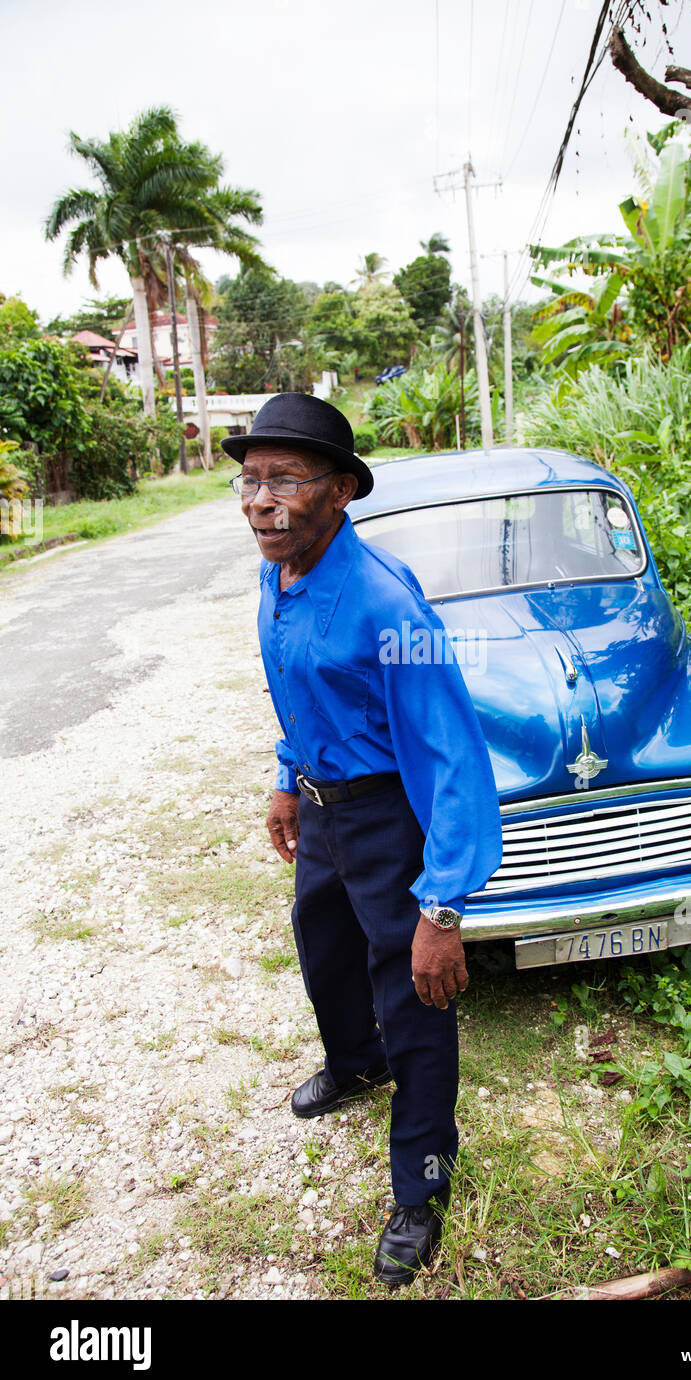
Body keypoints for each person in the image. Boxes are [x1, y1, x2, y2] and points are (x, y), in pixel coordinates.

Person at [221, 393, 502, 1286]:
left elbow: (454, 756)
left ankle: (421, 1184)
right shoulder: (279, 571)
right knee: (325, 952)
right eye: (250, 478)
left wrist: (443, 905)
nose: (259, 501)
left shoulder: (391, 609)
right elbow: (295, 690)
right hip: (322, 810)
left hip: (386, 821)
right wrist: (284, 781)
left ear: (340, 491)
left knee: (415, 992)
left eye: (285, 481)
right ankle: (354, 1064)